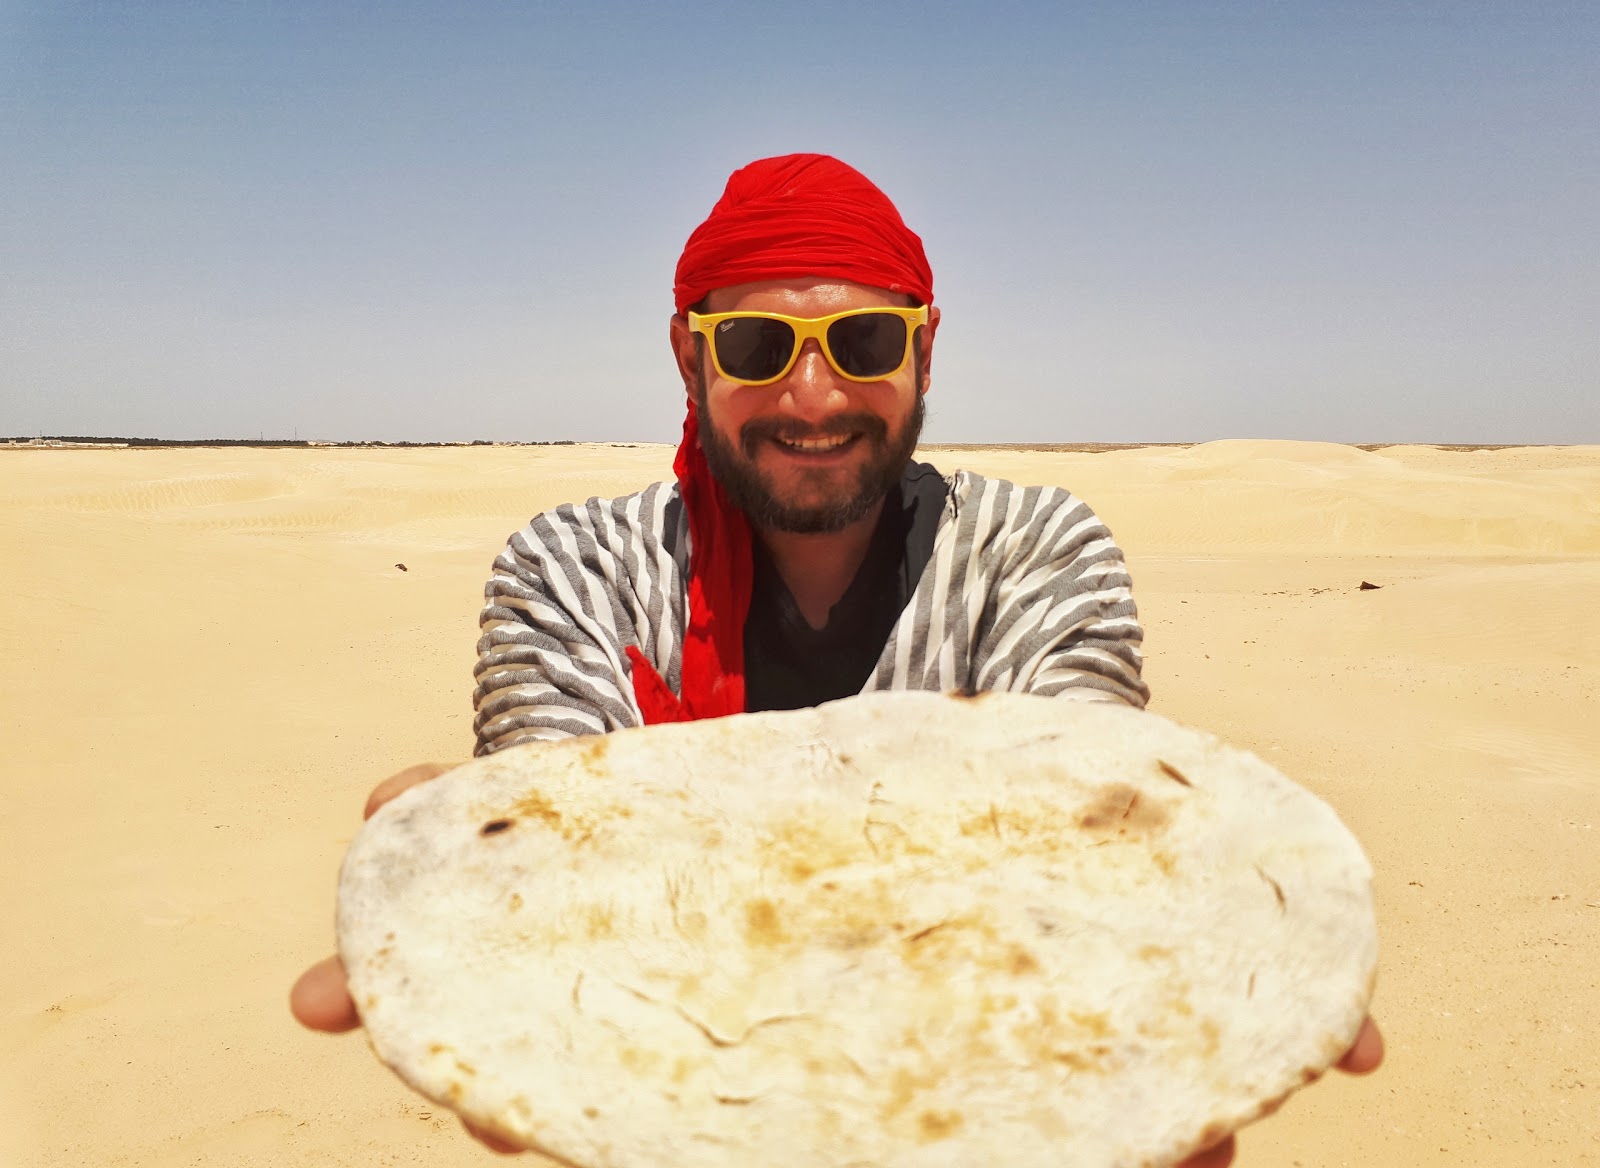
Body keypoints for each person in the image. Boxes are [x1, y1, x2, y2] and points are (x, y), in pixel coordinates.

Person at [292, 154, 1382, 1164]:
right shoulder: (575, 568)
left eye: (863, 344)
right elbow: (552, 894)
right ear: (689, 355)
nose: (812, 400)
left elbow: (1086, 838)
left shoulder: (1032, 551)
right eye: (757, 349)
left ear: (923, 348)